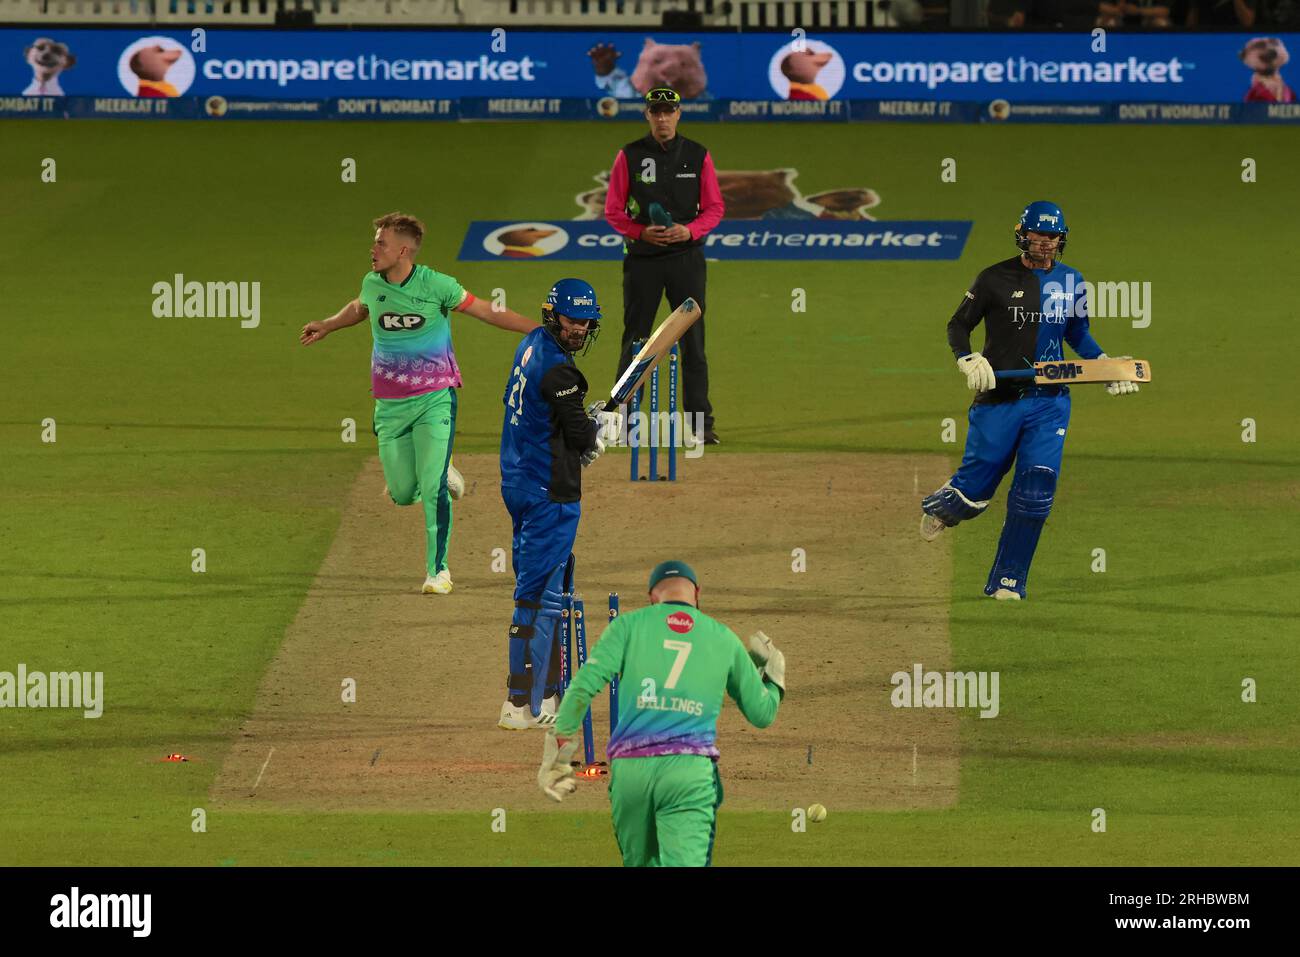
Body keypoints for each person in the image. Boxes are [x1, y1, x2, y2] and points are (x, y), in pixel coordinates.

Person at [300, 212, 537, 594]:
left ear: (403, 250)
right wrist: (328, 324)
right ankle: (443, 473)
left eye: (381, 243)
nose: (373, 249)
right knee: (402, 492)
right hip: (389, 406)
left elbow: (486, 310)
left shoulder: (437, 285)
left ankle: (438, 571)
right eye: (375, 242)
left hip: (434, 399)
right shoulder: (372, 283)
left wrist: (537, 330)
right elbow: (360, 308)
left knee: (430, 489)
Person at [919, 201, 1139, 601]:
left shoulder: (1072, 281)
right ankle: (945, 506)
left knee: (1036, 488)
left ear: (1061, 239)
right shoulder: (993, 278)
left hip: (1049, 400)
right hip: (1000, 397)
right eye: (1038, 237)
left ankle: (1008, 579)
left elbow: (1078, 333)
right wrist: (968, 359)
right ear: (1024, 235)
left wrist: (1104, 364)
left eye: (1052, 238)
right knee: (974, 493)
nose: (1045, 245)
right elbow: (958, 324)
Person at [536, 560, 785, 867]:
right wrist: (773, 681)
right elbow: (763, 713)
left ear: (652, 596)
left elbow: (583, 686)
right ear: (697, 592)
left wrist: (558, 754)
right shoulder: (723, 638)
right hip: (689, 773)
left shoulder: (627, 626)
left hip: (630, 774)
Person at [498, 279, 622, 730]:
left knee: (543, 585)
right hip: (548, 493)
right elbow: (580, 437)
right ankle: (521, 703)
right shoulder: (561, 373)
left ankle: (545, 694)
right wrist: (597, 432)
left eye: (586, 323)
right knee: (540, 598)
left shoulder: (532, 343)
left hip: (518, 481)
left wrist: (583, 428)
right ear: (554, 315)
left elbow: (539, 412)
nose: (579, 329)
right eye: (572, 320)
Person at [603, 87, 725, 446]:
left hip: (686, 259)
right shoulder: (629, 155)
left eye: (668, 111)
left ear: (678, 113)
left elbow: (714, 208)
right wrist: (641, 233)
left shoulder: (698, 155)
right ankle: (624, 422)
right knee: (637, 341)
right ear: (647, 115)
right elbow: (613, 210)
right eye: (655, 112)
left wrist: (690, 231)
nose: (662, 118)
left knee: (694, 343)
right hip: (644, 260)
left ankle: (702, 425)